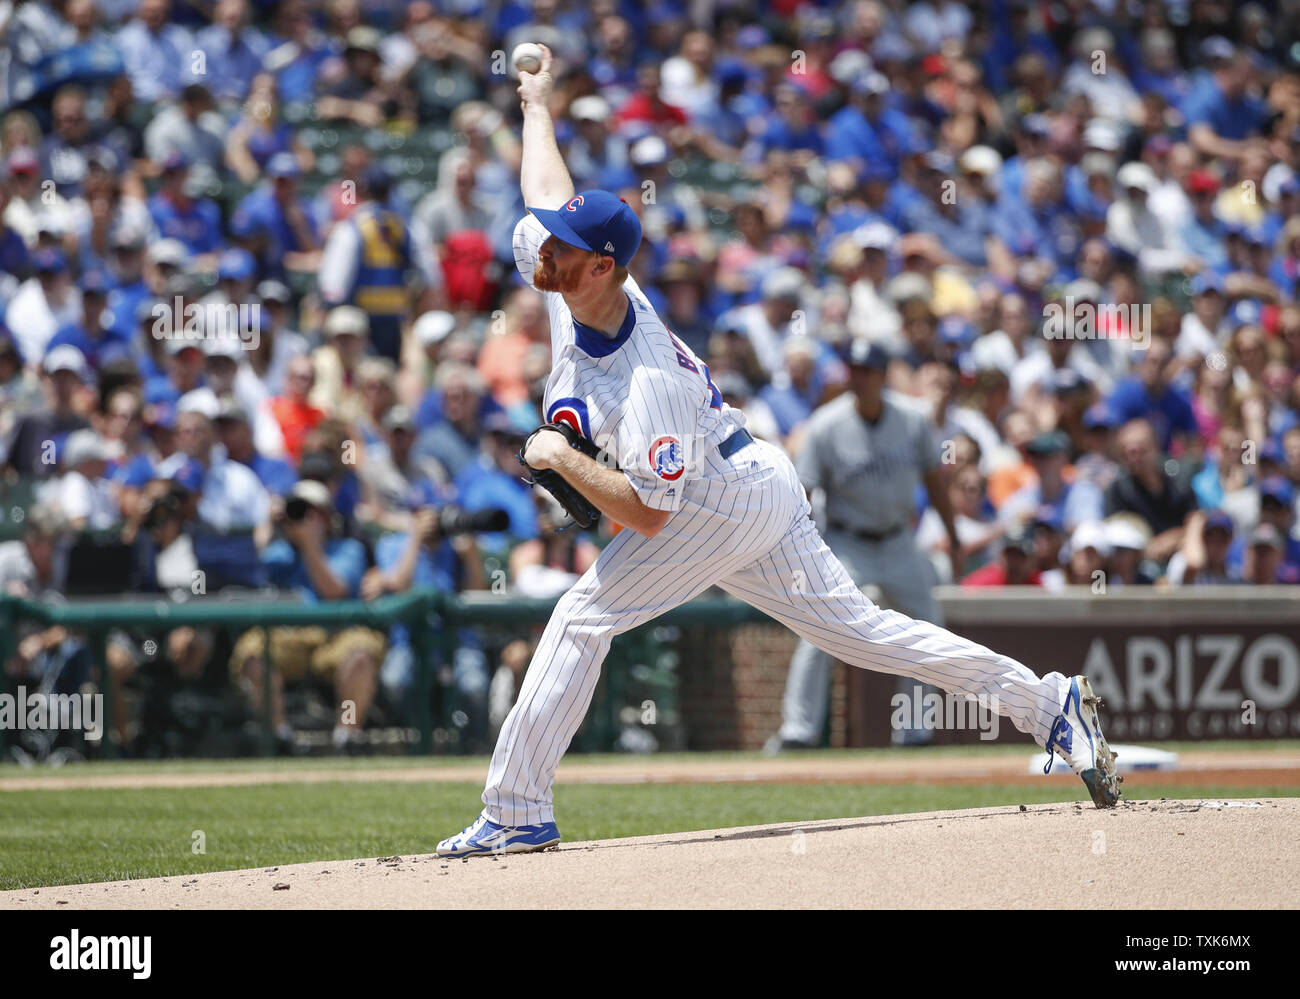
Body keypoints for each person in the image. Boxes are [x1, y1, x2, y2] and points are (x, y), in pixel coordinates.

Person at [436, 46, 1121, 858]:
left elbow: (650, 516)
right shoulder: (575, 286)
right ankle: (1049, 706)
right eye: (546, 244)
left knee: (583, 617)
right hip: (752, 481)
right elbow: (544, 191)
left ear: (605, 265)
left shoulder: (643, 375)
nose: (540, 253)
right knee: (864, 632)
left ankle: (517, 807)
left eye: (560, 247)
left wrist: (561, 457)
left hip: (709, 499)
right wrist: (537, 104)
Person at [768, 339, 959, 752]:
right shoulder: (824, 424)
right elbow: (803, 491)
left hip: (898, 540)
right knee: (819, 628)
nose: (858, 378)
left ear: (880, 375)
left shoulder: (913, 419)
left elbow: (934, 481)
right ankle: (798, 731)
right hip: (846, 541)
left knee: (928, 628)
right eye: (852, 370)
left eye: (866, 371)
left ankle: (915, 731)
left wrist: (954, 534)